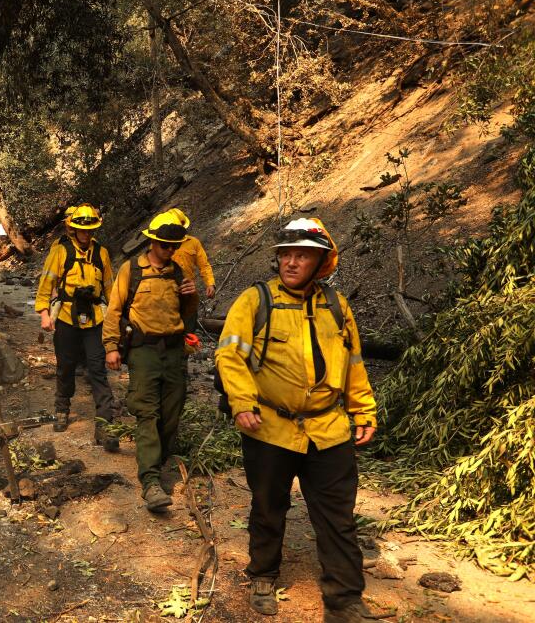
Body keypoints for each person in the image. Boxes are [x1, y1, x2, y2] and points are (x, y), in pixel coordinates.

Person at [214, 218, 382, 622]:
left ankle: (344, 600)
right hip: (270, 427)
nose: (291, 263)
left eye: (301, 255)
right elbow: (229, 355)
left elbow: (353, 363)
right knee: (269, 505)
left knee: (338, 516)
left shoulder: (337, 307)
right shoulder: (256, 301)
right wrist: (242, 402)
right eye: (285, 255)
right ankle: (263, 575)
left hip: (328, 428)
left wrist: (363, 409)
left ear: (320, 262)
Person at [103, 212, 198, 511]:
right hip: (143, 351)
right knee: (147, 412)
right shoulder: (131, 270)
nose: (171, 251)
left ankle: (162, 454)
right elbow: (114, 310)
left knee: (173, 411)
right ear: (153, 242)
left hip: (173, 350)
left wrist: (192, 295)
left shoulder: (180, 272)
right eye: (166, 246)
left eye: (175, 246)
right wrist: (111, 347)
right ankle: (151, 482)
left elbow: (188, 313)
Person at [34, 204, 120, 452]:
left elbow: (109, 287)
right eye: (82, 229)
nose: (86, 234)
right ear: (73, 229)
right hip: (67, 318)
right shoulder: (60, 251)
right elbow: (46, 282)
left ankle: (105, 425)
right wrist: (43, 314)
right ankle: (62, 407)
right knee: (66, 366)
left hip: (95, 319)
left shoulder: (101, 253)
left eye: (90, 229)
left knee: (97, 369)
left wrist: (115, 317)